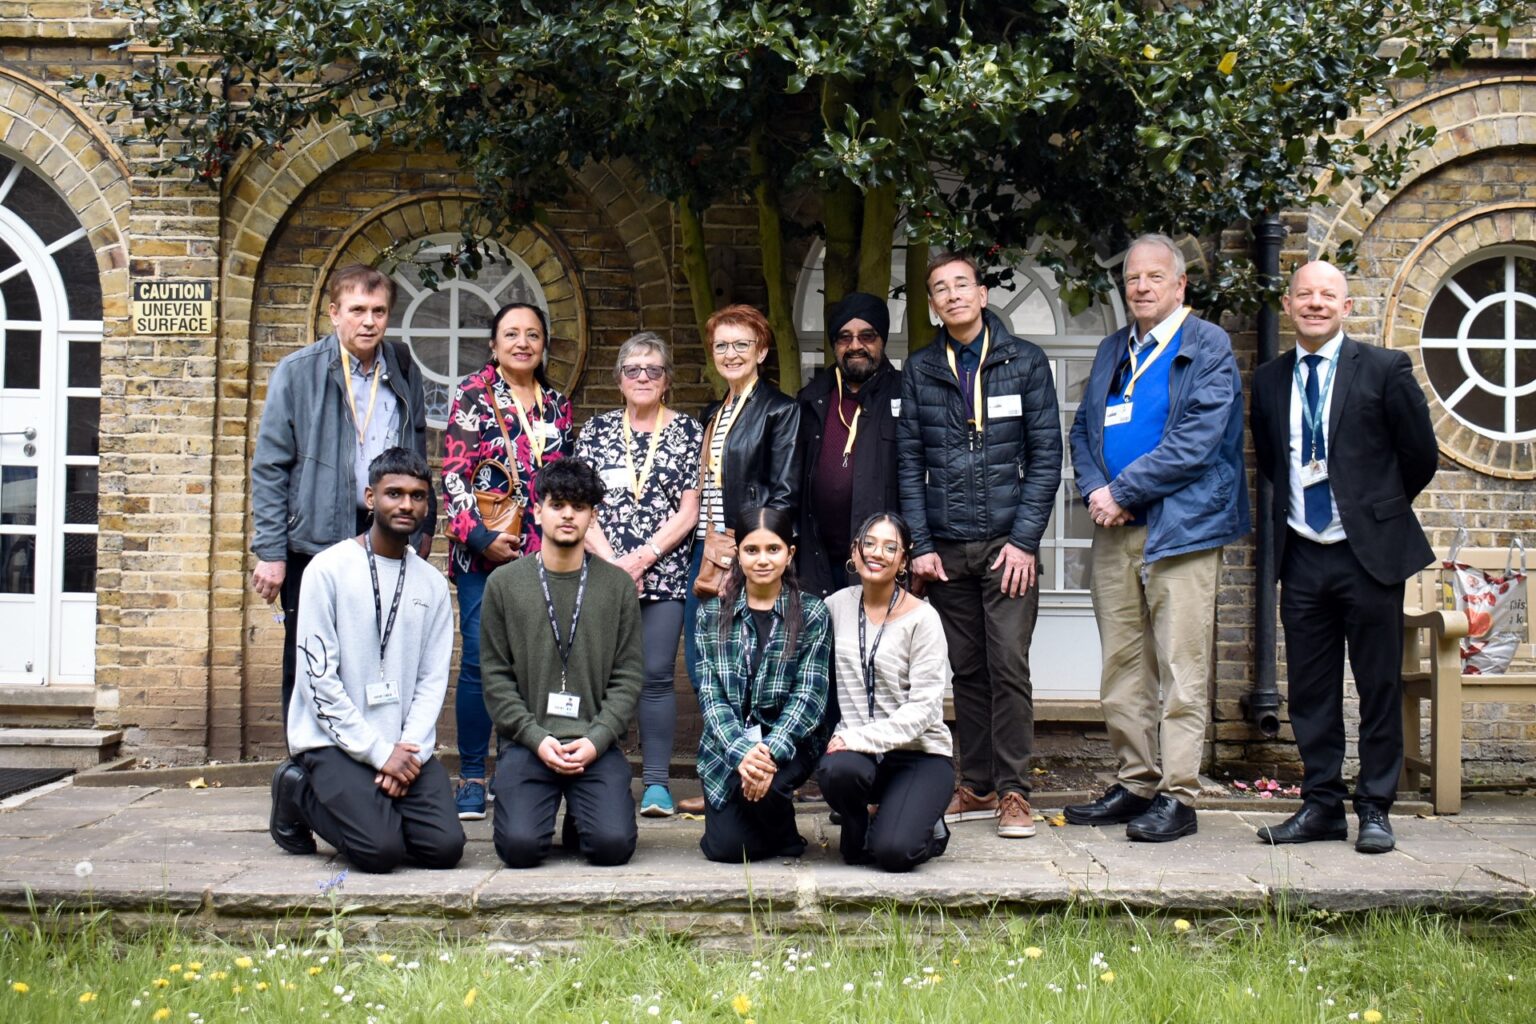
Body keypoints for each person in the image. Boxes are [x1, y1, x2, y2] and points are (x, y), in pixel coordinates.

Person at [1063, 234, 1251, 842]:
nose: (1140, 287)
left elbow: (1196, 441)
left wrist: (1123, 492)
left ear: (1180, 285)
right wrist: (1096, 489)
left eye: (1153, 278)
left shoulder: (1207, 346)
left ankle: (1179, 794)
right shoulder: (1115, 347)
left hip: (1183, 530)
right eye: (1132, 280)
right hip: (1115, 530)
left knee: (1180, 664)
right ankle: (1135, 780)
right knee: (1122, 664)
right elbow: (1084, 429)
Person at [1250, 260, 1437, 854]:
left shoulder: (1384, 368)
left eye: (1328, 295)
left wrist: (1371, 509)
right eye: (1305, 294)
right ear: (1288, 303)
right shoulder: (1270, 379)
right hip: (1303, 553)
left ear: (1346, 306)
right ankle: (1321, 805)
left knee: (1378, 684)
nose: (1316, 303)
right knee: (1310, 689)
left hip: (1368, 555)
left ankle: (1375, 807)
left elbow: (1420, 455)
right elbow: (1273, 463)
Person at [896, 251, 1062, 839]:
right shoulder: (921, 369)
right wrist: (919, 546)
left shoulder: (1024, 361)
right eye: (939, 288)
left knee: (1008, 665)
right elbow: (909, 460)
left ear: (982, 294)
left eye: (961, 284)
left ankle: (1016, 791)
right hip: (946, 548)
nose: (952, 295)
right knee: (965, 670)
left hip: (1005, 548)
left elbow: (1046, 459)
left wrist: (1023, 542)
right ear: (933, 304)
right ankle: (980, 784)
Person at [251, 264, 434, 723]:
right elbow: (270, 467)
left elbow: (418, 450)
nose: (368, 321)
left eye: (378, 311)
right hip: (316, 535)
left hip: (385, 532)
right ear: (334, 313)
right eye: (357, 310)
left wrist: (424, 528)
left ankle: (372, 754)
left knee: (381, 647)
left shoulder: (403, 367)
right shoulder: (297, 373)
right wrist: (271, 552)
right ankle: (307, 764)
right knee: (311, 652)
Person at [268, 447, 463, 873]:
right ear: (371, 498)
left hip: (402, 743)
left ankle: (373, 811)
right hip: (332, 741)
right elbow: (317, 681)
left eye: (417, 496)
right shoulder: (328, 569)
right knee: (380, 852)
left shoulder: (431, 584)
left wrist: (405, 752)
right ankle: (294, 790)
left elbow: (432, 682)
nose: (406, 504)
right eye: (394, 493)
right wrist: (377, 753)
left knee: (445, 849)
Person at [440, 302, 575, 821]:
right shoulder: (472, 395)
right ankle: (472, 774)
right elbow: (453, 473)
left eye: (533, 335)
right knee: (479, 661)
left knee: (532, 665)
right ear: (494, 344)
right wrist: (479, 538)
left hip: (544, 557)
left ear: (544, 345)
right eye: (511, 334)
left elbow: (563, 481)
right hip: (484, 557)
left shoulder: (557, 405)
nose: (523, 343)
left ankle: (514, 766)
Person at [479, 458, 643, 868]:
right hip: (530, 743)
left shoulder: (618, 586)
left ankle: (583, 817)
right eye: (557, 504)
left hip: (593, 744)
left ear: (593, 516)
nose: (568, 514)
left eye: (580, 506)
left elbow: (628, 676)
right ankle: (555, 805)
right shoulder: (504, 584)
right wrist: (534, 737)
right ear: (537, 510)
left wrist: (598, 738)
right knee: (519, 850)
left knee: (611, 847)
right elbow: (496, 678)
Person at [677, 304, 803, 815]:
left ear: (763, 352)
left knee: (750, 672)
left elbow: (785, 492)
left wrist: (744, 545)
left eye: (741, 345)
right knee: (709, 669)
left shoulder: (781, 410)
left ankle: (756, 775)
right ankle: (721, 779)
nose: (730, 353)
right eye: (722, 345)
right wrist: (710, 544)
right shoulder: (713, 412)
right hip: (705, 556)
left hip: (747, 558)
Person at [574, 332, 702, 817]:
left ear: (667, 380)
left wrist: (642, 558)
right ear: (619, 380)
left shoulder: (689, 432)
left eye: (653, 369)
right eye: (633, 369)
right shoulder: (595, 430)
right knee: (599, 675)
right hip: (602, 570)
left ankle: (654, 786)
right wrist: (615, 564)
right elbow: (580, 505)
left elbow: (690, 511)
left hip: (664, 572)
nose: (643, 377)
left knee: (654, 676)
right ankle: (595, 778)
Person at [817, 512, 954, 871]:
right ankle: (857, 825)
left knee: (894, 853)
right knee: (837, 770)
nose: (877, 553)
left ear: (904, 561)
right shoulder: (835, 606)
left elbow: (924, 709)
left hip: (919, 754)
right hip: (860, 758)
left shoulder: (923, 619)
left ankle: (925, 826)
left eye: (890, 547)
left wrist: (859, 736)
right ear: (855, 551)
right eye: (869, 544)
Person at [695, 507, 831, 862]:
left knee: (767, 790)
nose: (762, 560)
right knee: (725, 850)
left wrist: (767, 753)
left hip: (788, 744)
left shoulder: (812, 613)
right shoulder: (711, 615)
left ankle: (777, 821)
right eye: (751, 550)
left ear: (790, 554)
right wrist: (743, 753)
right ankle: (782, 834)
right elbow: (712, 697)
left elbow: (809, 697)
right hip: (729, 745)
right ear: (737, 554)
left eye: (773, 549)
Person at [795, 292, 904, 598]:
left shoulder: (907, 396)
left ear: (881, 339)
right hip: (817, 561)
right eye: (845, 337)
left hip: (882, 562)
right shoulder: (810, 399)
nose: (855, 345)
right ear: (834, 344)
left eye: (866, 336)